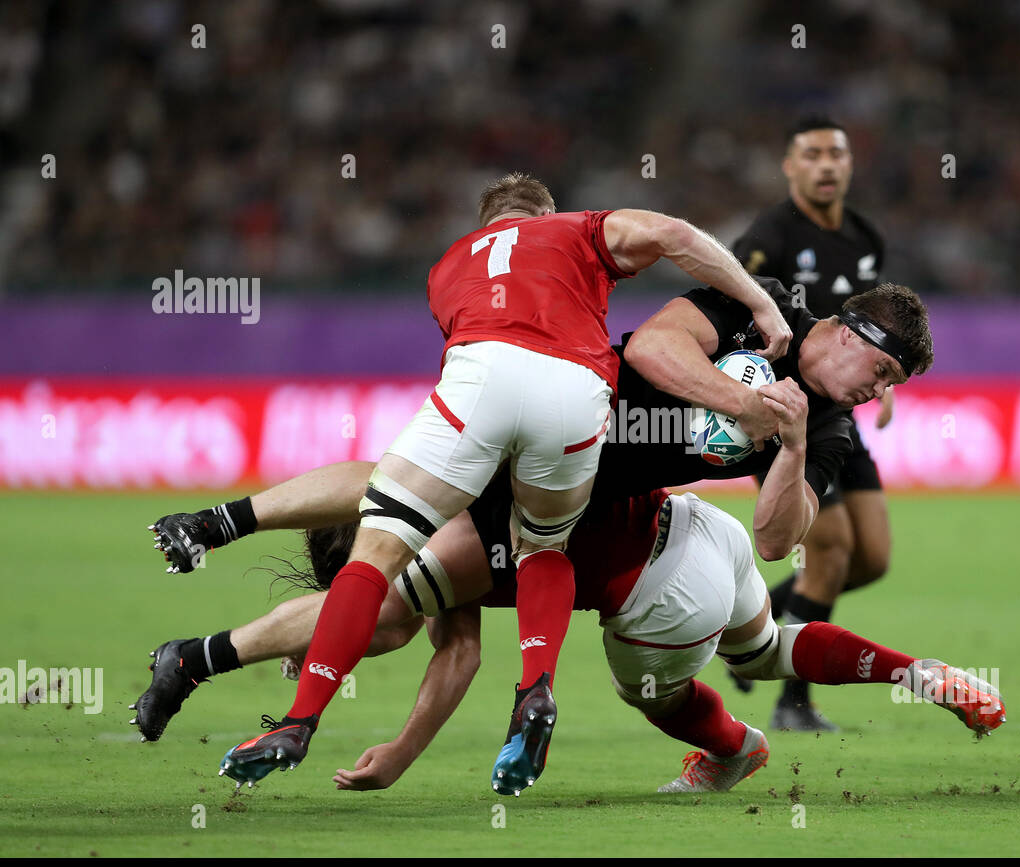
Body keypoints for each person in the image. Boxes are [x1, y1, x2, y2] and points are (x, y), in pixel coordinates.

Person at [150, 275, 933, 791]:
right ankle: (218, 570)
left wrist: (790, 444)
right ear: (852, 332)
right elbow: (655, 346)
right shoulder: (758, 312)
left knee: (405, 577)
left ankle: (197, 650)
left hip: (579, 493)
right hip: (564, 409)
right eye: (885, 372)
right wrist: (741, 402)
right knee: (402, 563)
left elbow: (775, 539)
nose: (880, 393)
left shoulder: (824, 425)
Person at [192, 172, 793, 790]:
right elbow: (669, 233)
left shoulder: (449, 268)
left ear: (485, 228)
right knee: (543, 548)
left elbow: (474, 405)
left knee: (377, 553)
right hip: (577, 396)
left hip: (480, 381)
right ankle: (535, 691)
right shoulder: (576, 230)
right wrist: (759, 301)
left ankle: (296, 715)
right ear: (544, 215)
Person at [135, 472, 1007, 794]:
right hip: (707, 529)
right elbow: (459, 646)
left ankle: (733, 747)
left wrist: (214, 651)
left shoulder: (431, 556)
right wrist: (400, 750)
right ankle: (917, 672)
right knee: (768, 646)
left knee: (652, 692)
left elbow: (395, 619)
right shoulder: (454, 481)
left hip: (656, 598)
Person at [731, 115, 894, 731]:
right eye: (813, 154)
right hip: (792, 416)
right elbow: (736, 306)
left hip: (844, 410)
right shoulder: (767, 236)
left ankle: (756, 635)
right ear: (790, 166)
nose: (827, 164)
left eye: (837, 153)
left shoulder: (867, 237)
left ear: (849, 165)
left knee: (872, 558)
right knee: (827, 554)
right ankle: (792, 701)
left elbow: (880, 322)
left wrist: (883, 383)